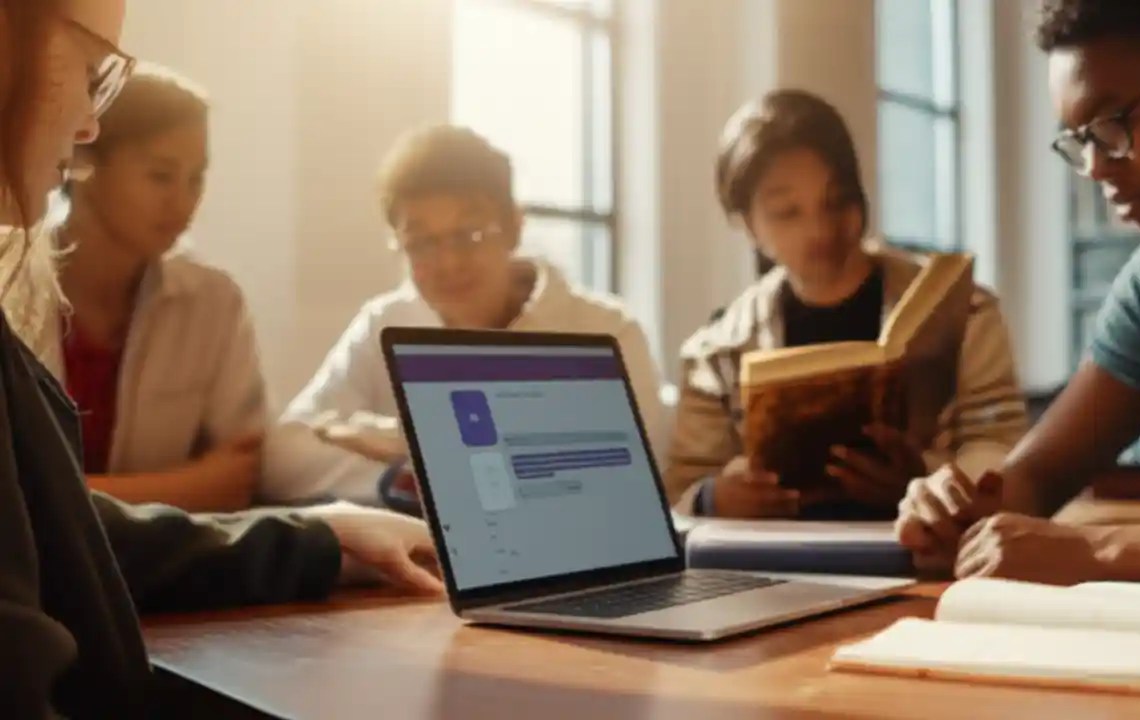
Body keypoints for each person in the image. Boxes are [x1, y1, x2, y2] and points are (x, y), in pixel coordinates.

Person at [0, 2, 442, 715]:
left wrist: (316, 537)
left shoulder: (213, 297)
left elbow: (72, 518)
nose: (87, 124)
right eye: (89, 72)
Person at [895, 0, 1140, 587]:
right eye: (1079, 141)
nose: (1096, 169)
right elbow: (1037, 477)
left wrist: (1098, 552)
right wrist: (958, 513)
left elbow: (1088, 548)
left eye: (1112, 125)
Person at [665, 89, 1028, 520]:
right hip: (778, 566)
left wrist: (923, 480)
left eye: (837, 201)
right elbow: (678, 496)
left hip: (929, 555)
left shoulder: (962, 309)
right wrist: (714, 498)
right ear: (747, 226)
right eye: (787, 212)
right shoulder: (716, 354)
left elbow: (1005, 452)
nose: (821, 229)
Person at [262, 125, 666, 508]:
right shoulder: (385, 323)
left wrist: (403, 440)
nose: (448, 263)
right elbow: (282, 459)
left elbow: (636, 478)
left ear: (514, 228)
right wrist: (404, 483)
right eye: (421, 243)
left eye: (469, 234)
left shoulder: (607, 331)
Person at [28, 63, 267, 512]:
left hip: (165, 569)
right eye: (161, 176)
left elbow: (239, 477)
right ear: (84, 164)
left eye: (196, 179)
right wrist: (188, 487)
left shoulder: (214, 302)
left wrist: (60, 498)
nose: (183, 202)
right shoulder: (9, 285)